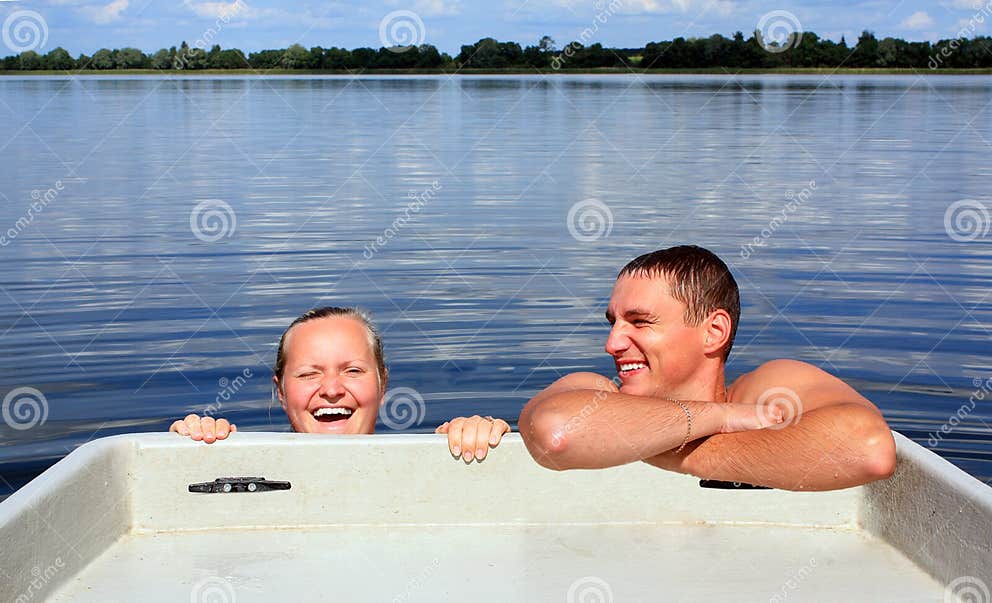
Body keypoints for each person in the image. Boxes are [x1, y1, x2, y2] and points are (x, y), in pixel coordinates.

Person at [518, 245, 896, 491]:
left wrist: (670, 451)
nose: (612, 343)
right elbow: (557, 434)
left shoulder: (767, 390)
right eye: (613, 322)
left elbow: (869, 450)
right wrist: (720, 417)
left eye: (639, 322)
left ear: (713, 332)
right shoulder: (596, 391)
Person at [170, 306, 510, 463]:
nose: (331, 389)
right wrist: (196, 444)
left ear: (382, 383)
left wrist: (477, 436)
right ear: (281, 391)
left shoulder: (426, 464)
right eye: (308, 374)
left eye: (352, 371)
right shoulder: (242, 469)